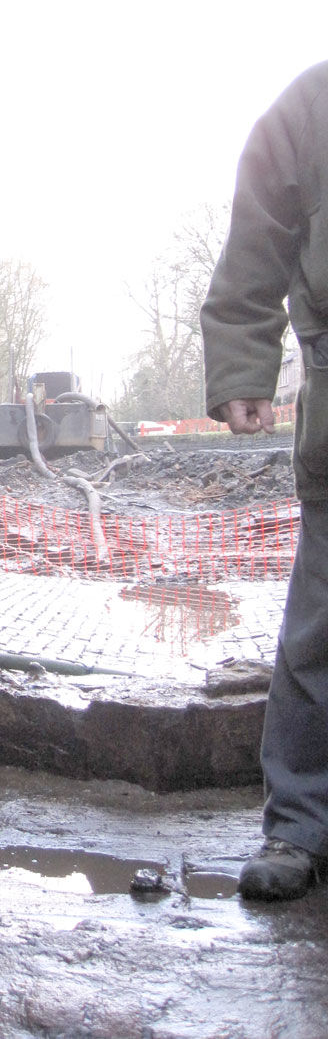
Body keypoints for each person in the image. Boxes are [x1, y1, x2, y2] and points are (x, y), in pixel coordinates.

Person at [201, 60, 328, 904]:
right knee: (322, 624)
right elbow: (260, 227)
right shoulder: (313, 106)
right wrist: (245, 360)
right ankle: (301, 820)